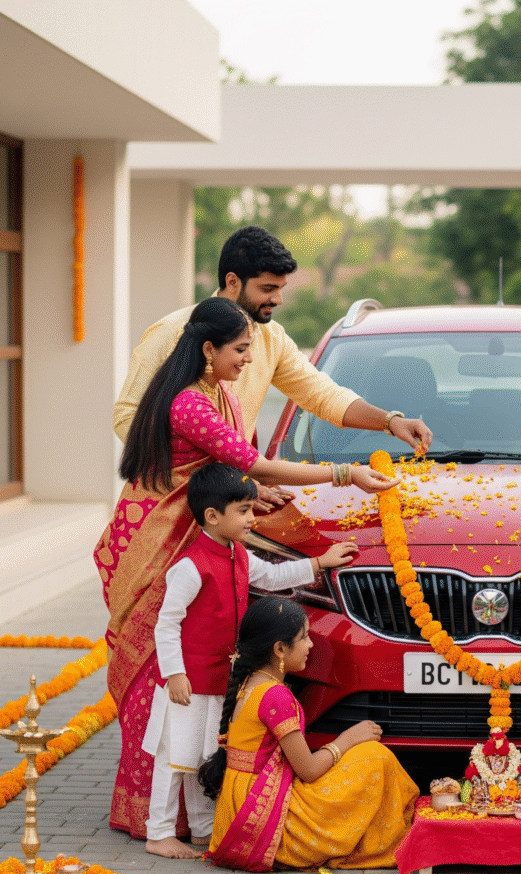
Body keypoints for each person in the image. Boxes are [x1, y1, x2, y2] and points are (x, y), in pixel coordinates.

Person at [96, 296, 395, 840]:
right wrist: (343, 473)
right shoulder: (190, 404)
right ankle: (156, 823)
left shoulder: (216, 393)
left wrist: (285, 529)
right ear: (209, 350)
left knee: (203, 701)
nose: (248, 360)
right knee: (162, 685)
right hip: (163, 538)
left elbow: (259, 563)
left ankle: (197, 818)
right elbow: (250, 461)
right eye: (240, 350)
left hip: (199, 527)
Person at [113, 225, 431, 513]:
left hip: (231, 509)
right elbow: (128, 417)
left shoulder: (270, 337)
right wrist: (219, 482)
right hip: (171, 507)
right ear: (233, 282)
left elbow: (321, 393)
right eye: (267, 289)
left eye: (281, 288)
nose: (278, 299)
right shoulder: (172, 332)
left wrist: (390, 421)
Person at [144, 463, 360, 860]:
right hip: (187, 682)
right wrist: (174, 674)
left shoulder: (238, 555)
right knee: (176, 757)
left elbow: (274, 577)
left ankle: (203, 828)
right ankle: (158, 832)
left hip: (218, 680)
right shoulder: (190, 566)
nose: (251, 517)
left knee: (205, 753)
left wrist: (319, 563)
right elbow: (166, 623)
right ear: (213, 516)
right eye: (243, 510)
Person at [199, 598, 419, 872]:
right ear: (280, 649)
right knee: (375, 757)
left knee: (367, 757)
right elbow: (309, 770)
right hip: (268, 824)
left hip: (242, 815)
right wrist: (348, 738)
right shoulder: (276, 695)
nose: (311, 645)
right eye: (304, 637)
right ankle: (393, 839)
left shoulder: (251, 683)